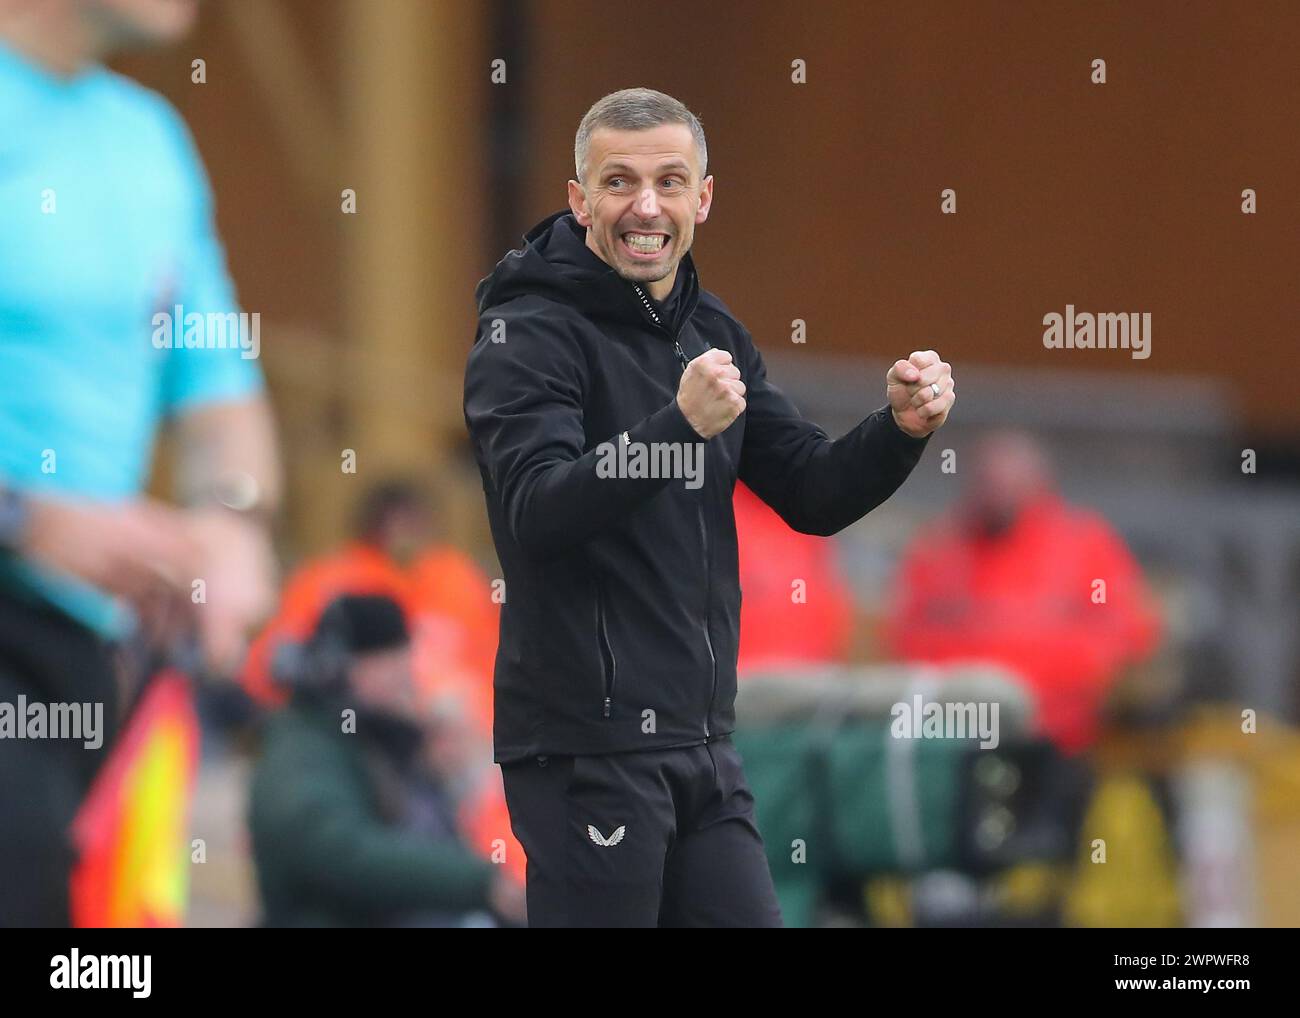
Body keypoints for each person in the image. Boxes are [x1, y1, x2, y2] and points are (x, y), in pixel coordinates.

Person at [463, 87, 955, 927]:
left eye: (669, 181)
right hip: (589, 747)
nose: (645, 206)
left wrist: (899, 431)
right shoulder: (527, 334)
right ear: (580, 200)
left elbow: (810, 489)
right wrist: (676, 427)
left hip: (703, 744)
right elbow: (536, 512)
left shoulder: (709, 327)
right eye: (618, 182)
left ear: (704, 198)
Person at [0, 0, 279, 926]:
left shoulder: (148, 138)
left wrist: (232, 527)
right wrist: (24, 519)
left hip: (94, 659)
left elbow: (217, 383)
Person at [248, 594, 526, 927]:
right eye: (391, 664)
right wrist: (480, 883)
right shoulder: (302, 749)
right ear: (344, 664)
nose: (405, 679)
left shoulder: (373, 737)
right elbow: (343, 854)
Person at [883, 430, 1163, 754]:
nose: (996, 493)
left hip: (1064, 738)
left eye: (1008, 482)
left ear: (1038, 481)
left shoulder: (1085, 544)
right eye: (987, 482)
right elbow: (906, 638)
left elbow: (1127, 634)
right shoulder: (938, 550)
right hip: (955, 734)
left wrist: (1038, 673)